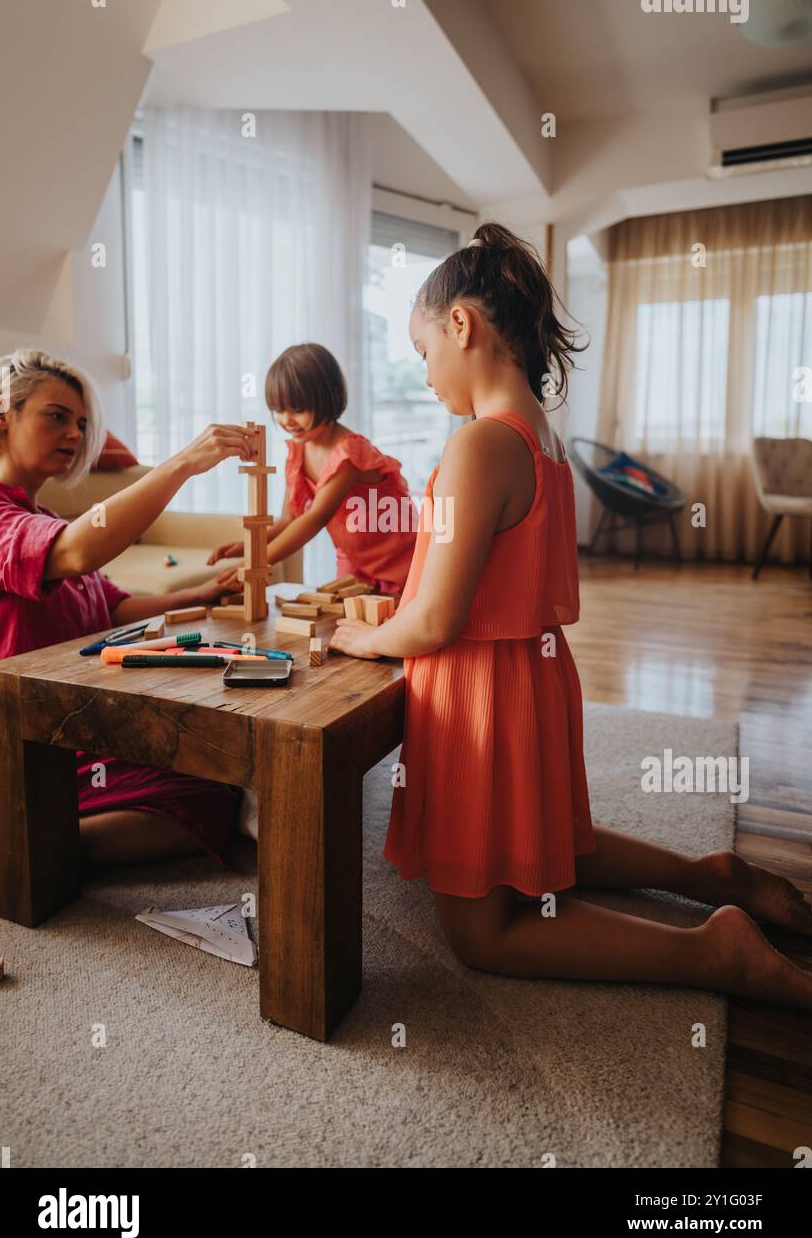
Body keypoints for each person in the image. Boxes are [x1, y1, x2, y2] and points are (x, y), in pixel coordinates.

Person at [328, 223, 812, 1014]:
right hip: (534, 676)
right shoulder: (541, 438)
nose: (425, 378)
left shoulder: (479, 444)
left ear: (462, 325)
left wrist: (362, 636)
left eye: (422, 354)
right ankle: (708, 875)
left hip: (478, 695)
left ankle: (713, 950)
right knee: (545, 844)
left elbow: (439, 622)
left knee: (487, 933)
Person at [0, 349, 257, 869]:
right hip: (24, 733)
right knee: (203, 795)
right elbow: (76, 551)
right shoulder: (5, 516)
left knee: (217, 763)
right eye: (56, 416)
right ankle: (16, 852)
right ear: (2, 415)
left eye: (81, 422)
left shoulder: (39, 516)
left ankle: (32, 837)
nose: (74, 434)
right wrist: (181, 464)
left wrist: (200, 597)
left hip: (72, 718)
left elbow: (114, 607)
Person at [208, 343, 417, 595]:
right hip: (355, 560)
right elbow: (290, 519)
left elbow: (314, 518)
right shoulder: (299, 450)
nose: (287, 420)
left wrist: (254, 563)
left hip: (401, 558)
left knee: (395, 622)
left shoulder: (348, 453)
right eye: (278, 410)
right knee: (344, 619)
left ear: (330, 397)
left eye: (298, 410)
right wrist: (249, 547)